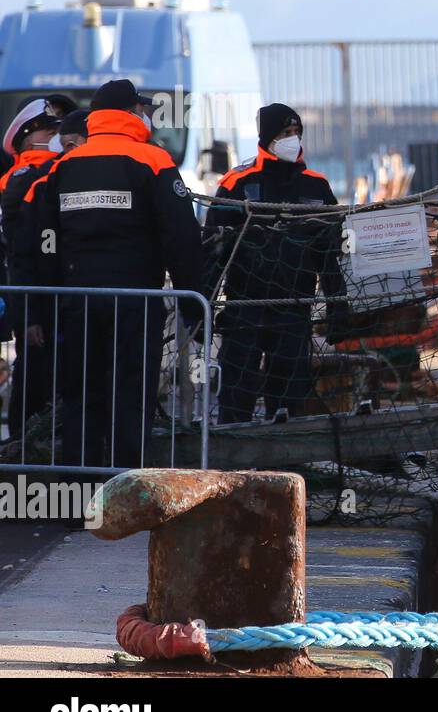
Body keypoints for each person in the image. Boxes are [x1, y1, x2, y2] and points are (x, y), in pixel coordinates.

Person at [28, 80, 203, 466]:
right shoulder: (153, 160)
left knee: (81, 396)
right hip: (136, 302)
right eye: (141, 109)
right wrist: (195, 301)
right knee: (131, 396)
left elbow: (46, 242)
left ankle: (78, 497)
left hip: (78, 303)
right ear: (131, 113)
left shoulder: (63, 167)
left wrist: (48, 304)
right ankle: (126, 495)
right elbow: (182, 237)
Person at [203, 103, 346, 423]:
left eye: (296, 132)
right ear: (266, 137)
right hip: (245, 309)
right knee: (236, 395)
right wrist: (203, 306)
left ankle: (288, 467)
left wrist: (338, 304)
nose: (292, 139)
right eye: (285, 133)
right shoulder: (236, 184)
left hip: (294, 309)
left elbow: (329, 253)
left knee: (290, 397)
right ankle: (232, 464)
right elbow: (213, 251)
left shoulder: (317, 186)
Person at [0, 99, 63, 438]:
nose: (57, 137)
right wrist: (29, 316)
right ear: (27, 138)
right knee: (34, 381)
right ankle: (24, 452)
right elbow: (22, 255)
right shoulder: (22, 180)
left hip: (59, 299)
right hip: (37, 301)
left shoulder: (62, 171)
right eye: (50, 131)